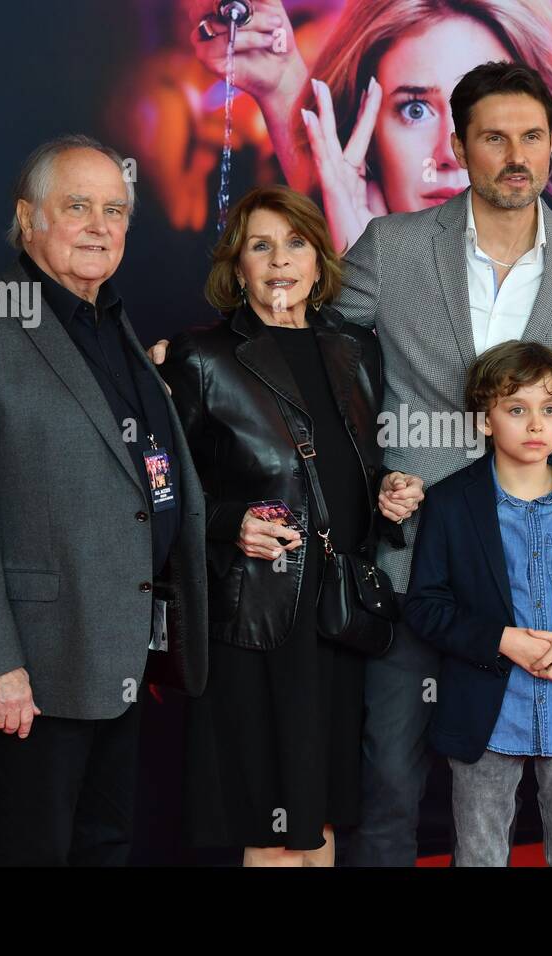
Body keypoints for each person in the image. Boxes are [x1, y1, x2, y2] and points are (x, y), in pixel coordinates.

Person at [152, 61, 552, 866]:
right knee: (386, 791)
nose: (514, 155)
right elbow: (301, 348)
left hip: (535, 582)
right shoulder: (395, 245)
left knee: (545, 790)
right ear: (459, 147)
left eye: (531, 137)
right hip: (410, 573)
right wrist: (191, 361)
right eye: (493, 137)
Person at [0, 134, 208, 865]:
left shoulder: (112, 321)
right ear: (27, 217)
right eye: (77, 206)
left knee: (106, 844)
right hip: (32, 669)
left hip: (119, 653)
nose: (101, 225)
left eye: (114, 209)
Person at [158, 184, 421, 866]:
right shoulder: (201, 355)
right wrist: (229, 524)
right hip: (257, 618)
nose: (281, 261)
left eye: (296, 242)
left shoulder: (354, 348)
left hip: (335, 616)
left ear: (319, 257)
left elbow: (351, 467)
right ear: (237, 266)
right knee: (270, 830)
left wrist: (387, 490)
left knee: (321, 822)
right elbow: (164, 491)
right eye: (261, 245)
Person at [186, 0, 552, 302]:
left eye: (486, 110)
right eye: (415, 110)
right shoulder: (307, 296)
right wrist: (281, 85)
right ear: (368, 142)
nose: (451, 152)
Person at [404, 341, 552, 866]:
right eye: (516, 409)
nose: (535, 425)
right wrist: (500, 640)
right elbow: (425, 605)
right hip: (487, 715)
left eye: (549, 410)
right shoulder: (450, 502)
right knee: (479, 856)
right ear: (485, 420)